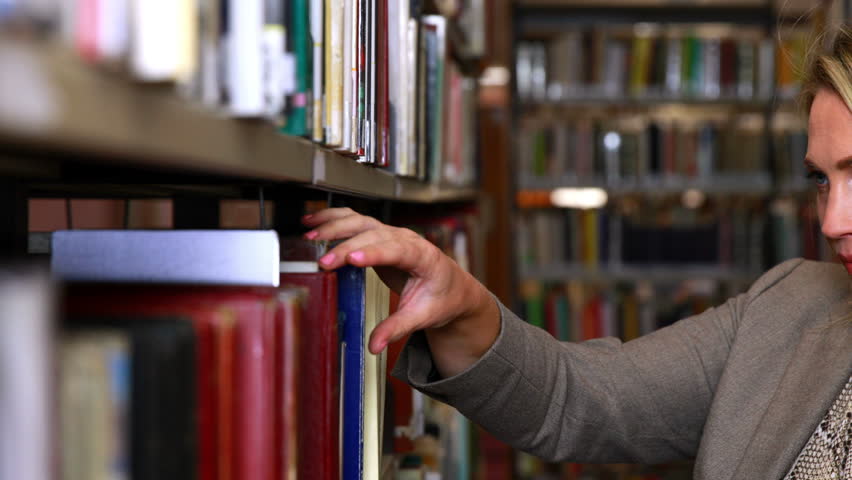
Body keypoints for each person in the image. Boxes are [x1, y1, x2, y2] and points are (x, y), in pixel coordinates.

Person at [302, 27, 852, 480]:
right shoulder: (788, 308)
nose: (832, 222)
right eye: (821, 181)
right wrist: (464, 303)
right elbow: (577, 400)